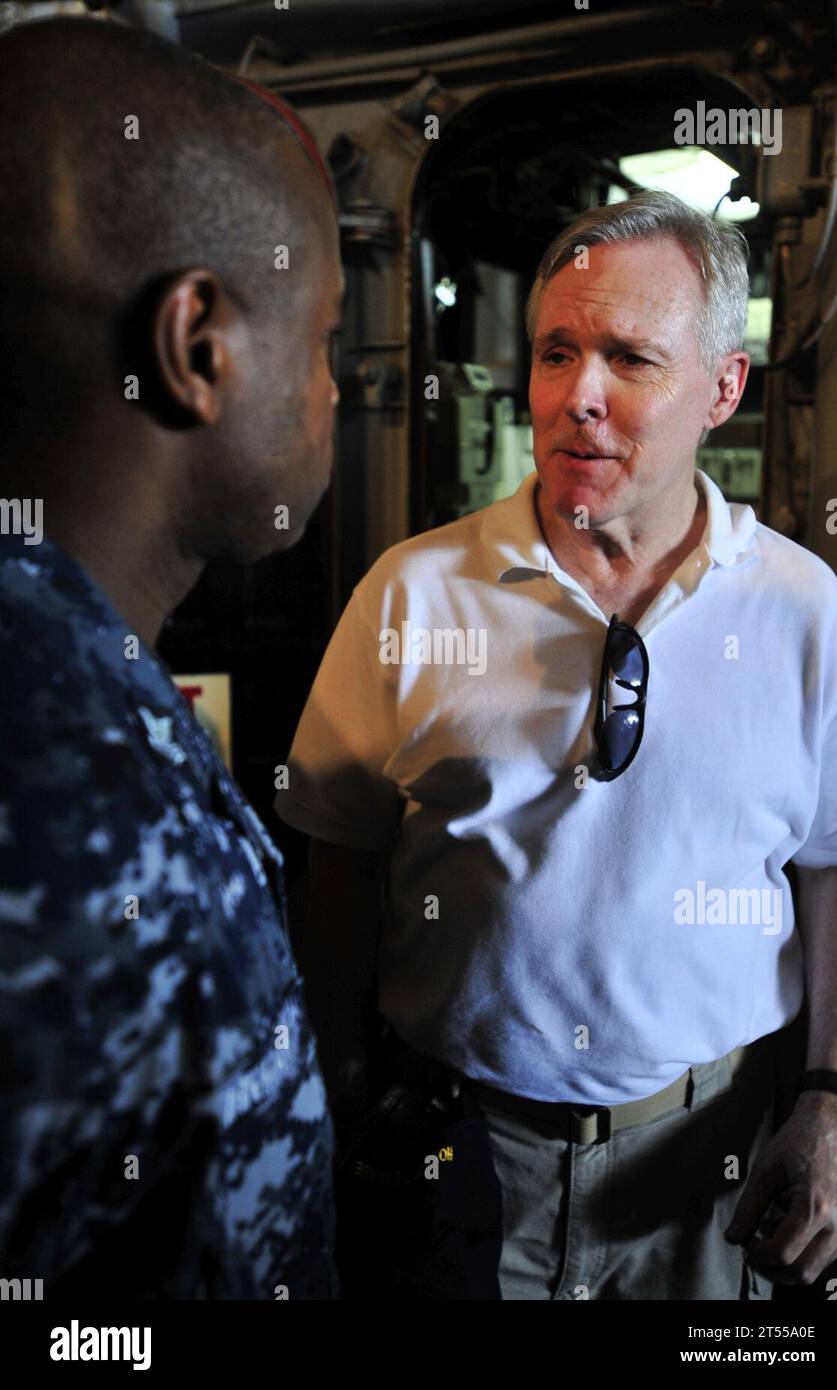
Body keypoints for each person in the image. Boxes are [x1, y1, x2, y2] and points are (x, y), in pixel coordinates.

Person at [275, 189, 837, 1300]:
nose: (575, 398)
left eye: (629, 359)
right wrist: (339, 1092)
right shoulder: (411, 592)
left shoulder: (801, 609)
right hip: (455, 1158)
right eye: (555, 352)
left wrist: (833, 1097)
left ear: (721, 390)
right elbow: (337, 861)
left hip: (705, 1173)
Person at [0, 16, 344, 1299]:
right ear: (198, 348)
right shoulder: (73, 788)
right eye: (319, 339)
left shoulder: (79, 685)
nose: (329, 392)